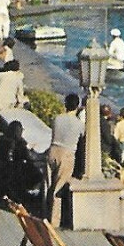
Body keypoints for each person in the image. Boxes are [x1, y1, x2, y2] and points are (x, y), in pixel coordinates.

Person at [46, 93, 84, 223]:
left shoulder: (57, 119)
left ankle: (45, 212)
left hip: (52, 151)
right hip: (67, 154)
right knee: (58, 188)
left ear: (65, 104)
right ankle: (54, 220)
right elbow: (82, 141)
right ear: (78, 106)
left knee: (50, 185)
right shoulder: (79, 124)